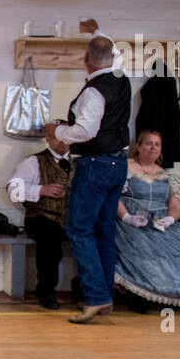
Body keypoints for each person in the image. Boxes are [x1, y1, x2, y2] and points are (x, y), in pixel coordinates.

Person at [44, 35, 132, 324]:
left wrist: (56, 131)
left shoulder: (94, 90)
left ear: (87, 59)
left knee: (80, 230)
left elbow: (84, 131)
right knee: (104, 230)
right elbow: (109, 52)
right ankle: (104, 295)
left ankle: (95, 297)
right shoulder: (122, 79)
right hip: (118, 163)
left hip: (94, 164)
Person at [114, 130, 180, 311]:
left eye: (157, 144)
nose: (153, 147)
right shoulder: (125, 168)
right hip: (130, 222)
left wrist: (171, 219)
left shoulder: (167, 175)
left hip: (158, 222)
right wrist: (127, 217)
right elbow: (113, 198)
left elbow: (175, 205)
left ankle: (168, 294)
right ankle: (139, 296)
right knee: (141, 249)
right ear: (138, 147)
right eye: (148, 143)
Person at [7, 127, 72, 310]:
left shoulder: (80, 162)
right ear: (48, 139)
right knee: (50, 240)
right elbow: (13, 189)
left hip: (72, 218)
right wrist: (41, 190)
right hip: (42, 216)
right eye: (57, 138)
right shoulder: (35, 161)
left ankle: (84, 290)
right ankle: (46, 291)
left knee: (92, 238)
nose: (61, 142)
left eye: (66, 137)